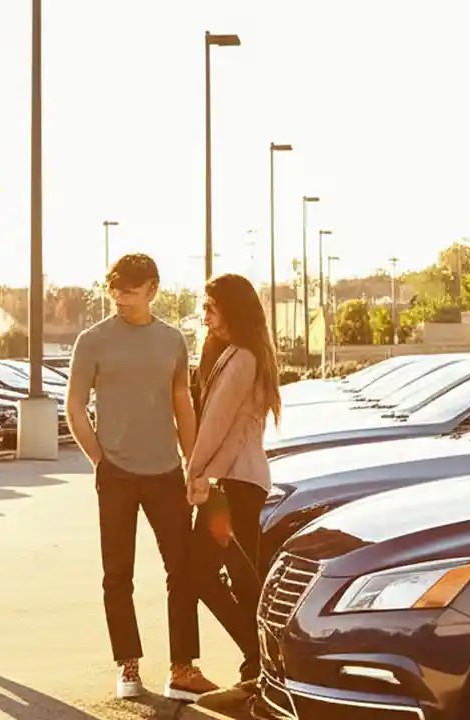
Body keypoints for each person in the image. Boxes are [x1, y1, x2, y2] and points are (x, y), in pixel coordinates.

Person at [67, 253, 219, 702]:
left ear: (152, 289)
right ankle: (127, 665)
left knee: (183, 569)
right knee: (118, 574)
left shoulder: (172, 340)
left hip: (165, 473)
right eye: (113, 288)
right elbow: (75, 406)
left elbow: (182, 404)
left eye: (129, 289)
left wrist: (195, 465)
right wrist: (99, 459)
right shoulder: (91, 340)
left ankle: (182, 668)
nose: (119, 297)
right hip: (115, 474)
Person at [185, 273, 282, 705]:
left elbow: (221, 426)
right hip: (236, 481)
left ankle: (259, 657)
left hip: (232, 483)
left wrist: (198, 473)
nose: (204, 316)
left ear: (232, 308)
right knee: (237, 577)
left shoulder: (243, 358)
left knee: (205, 574)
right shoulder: (241, 353)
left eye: (210, 306)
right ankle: (257, 661)